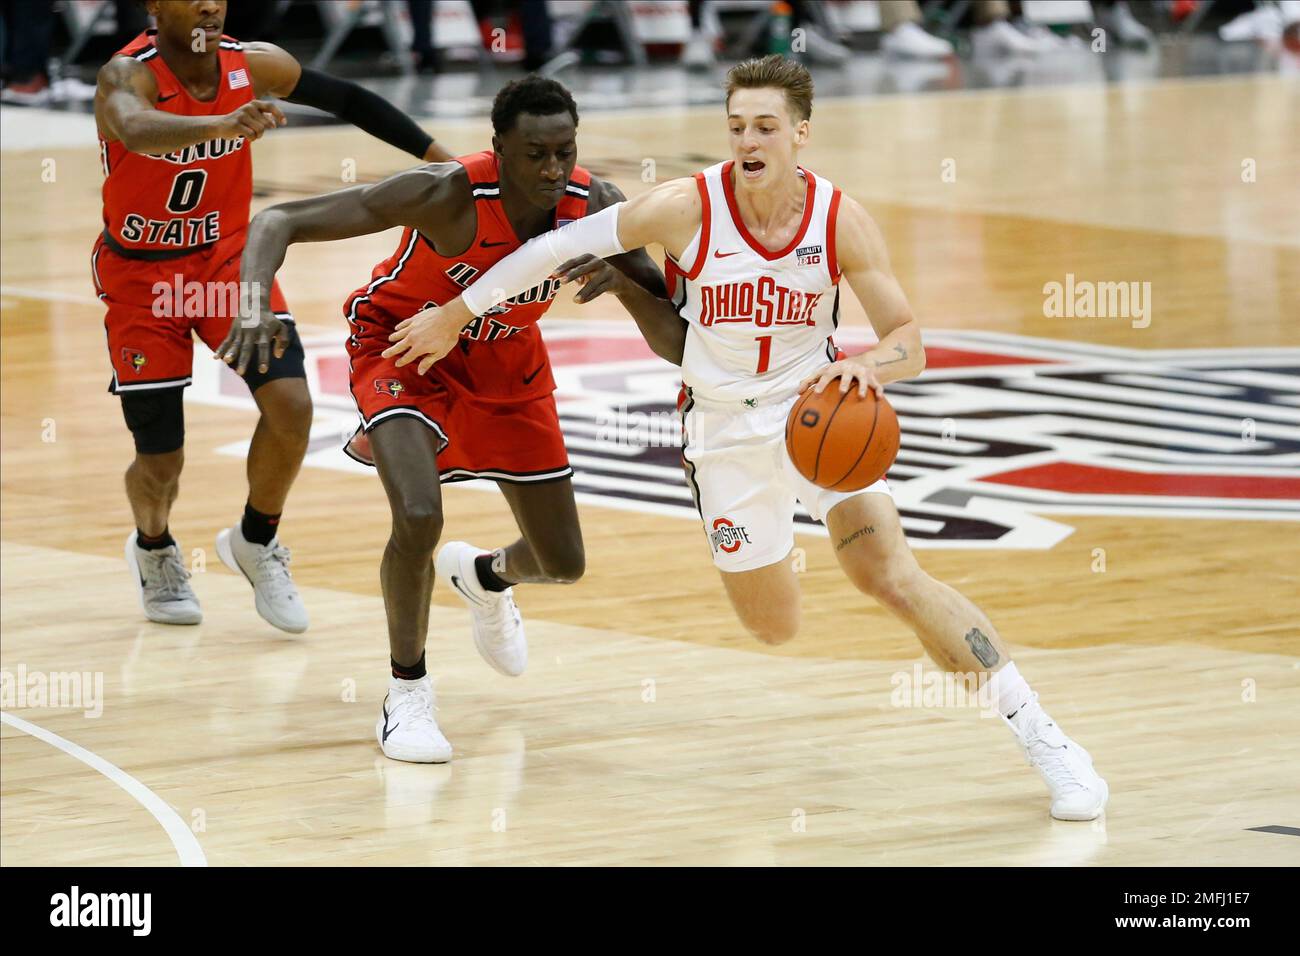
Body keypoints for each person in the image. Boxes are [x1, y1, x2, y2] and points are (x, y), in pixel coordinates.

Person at [385, 55, 1109, 821]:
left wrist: (867, 363)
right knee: (774, 626)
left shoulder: (839, 218)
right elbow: (553, 250)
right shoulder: (685, 207)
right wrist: (460, 311)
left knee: (891, 576)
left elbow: (910, 340)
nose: (748, 141)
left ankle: (1048, 741)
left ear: (799, 133)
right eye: (736, 127)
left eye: (765, 126)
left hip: (820, 411)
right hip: (724, 432)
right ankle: (488, 574)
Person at [229, 76, 675, 763]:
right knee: (418, 515)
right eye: (534, 153)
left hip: (508, 360)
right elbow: (276, 221)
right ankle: (406, 694)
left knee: (563, 562)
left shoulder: (596, 208)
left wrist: (623, 284)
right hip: (404, 345)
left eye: (564, 150)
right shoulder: (445, 193)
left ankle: (487, 577)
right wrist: (254, 304)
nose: (553, 169)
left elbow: (674, 344)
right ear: (498, 149)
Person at [94, 0, 453, 633]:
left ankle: (256, 540)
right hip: (144, 278)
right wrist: (222, 124)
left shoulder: (253, 64)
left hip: (228, 264)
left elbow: (347, 99)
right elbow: (135, 130)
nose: (208, 2)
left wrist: (439, 156)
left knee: (292, 407)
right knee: (162, 460)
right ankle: (154, 548)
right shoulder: (128, 76)